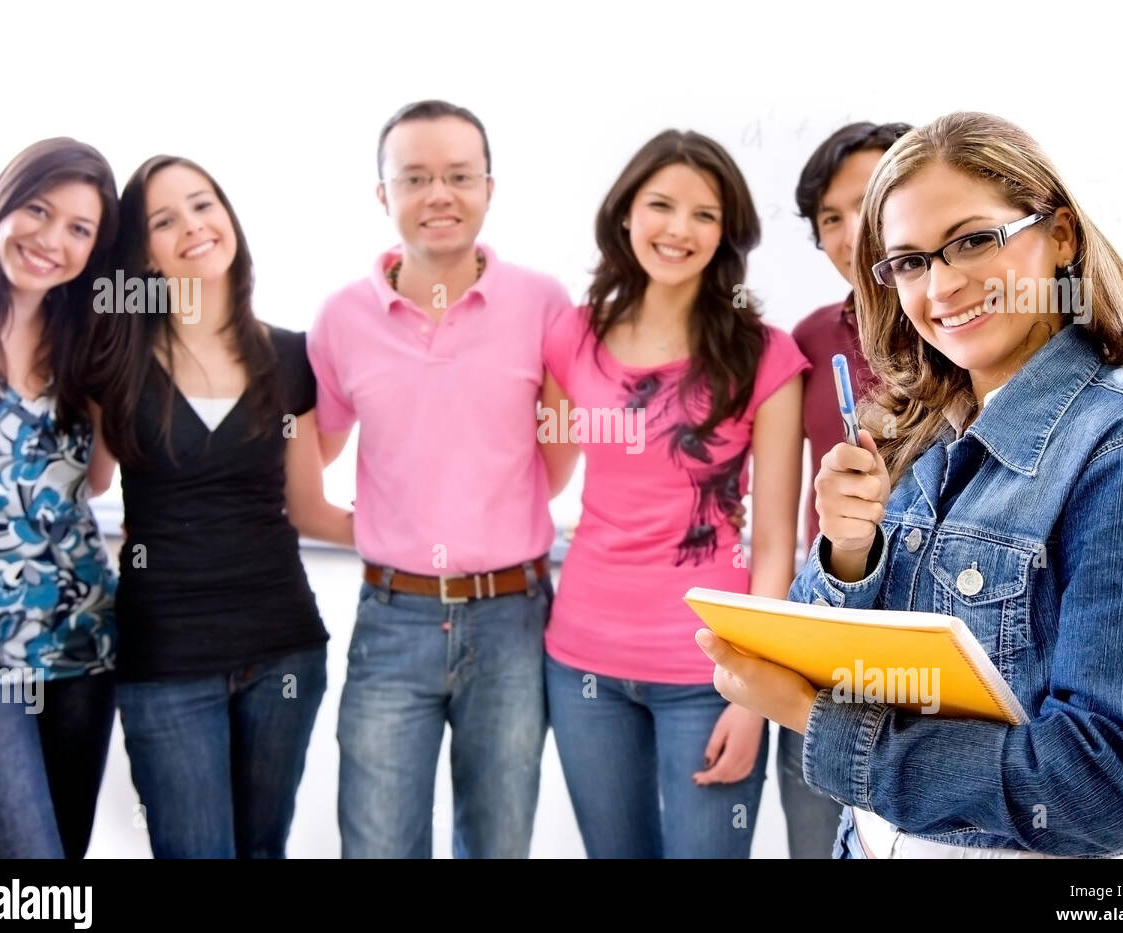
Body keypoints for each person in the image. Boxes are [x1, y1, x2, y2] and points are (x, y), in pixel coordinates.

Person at [698, 111, 1123, 858]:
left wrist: (814, 717)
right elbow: (839, 649)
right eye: (909, 261)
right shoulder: (917, 433)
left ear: (1063, 235)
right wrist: (850, 553)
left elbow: (1101, 794)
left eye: (975, 239)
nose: (942, 284)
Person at [308, 100, 570, 858]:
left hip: (512, 617)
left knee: (497, 840)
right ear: (382, 194)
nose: (439, 195)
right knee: (379, 842)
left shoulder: (543, 303)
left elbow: (550, 466)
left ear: (490, 188)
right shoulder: (341, 316)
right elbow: (317, 458)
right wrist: (399, 532)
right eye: (415, 177)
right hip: (394, 617)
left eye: (459, 176)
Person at [541, 130, 807, 858]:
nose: (679, 229)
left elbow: (777, 540)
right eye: (661, 204)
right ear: (626, 213)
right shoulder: (571, 335)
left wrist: (754, 694)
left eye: (704, 214)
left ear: (726, 234)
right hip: (581, 661)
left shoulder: (767, 354)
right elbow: (545, 467)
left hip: (708, 670)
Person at [88, 156, 348, 858]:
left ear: (229, 217)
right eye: (164, 220)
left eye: (203, 205)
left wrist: (436, 536)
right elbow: (84, 481)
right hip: (165, 656)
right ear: (142, 252)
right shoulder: (111, 358)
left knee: (262, 852)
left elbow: (310, 507)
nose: (193, 227)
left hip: (283, 647)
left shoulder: (293, 357)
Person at [0, 138, 119, 858]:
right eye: (38, 210)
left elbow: (97, 479)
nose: (51, 239)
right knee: (28, 869)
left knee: (56, 882)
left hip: (80, 638)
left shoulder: (90, 344)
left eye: (79, 229)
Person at [781, 121, 910, 858]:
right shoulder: (807, 341)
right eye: (830, 218)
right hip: (825, 648)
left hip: (943, 656)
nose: (850, 231)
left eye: (868, 203)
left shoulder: (970, 338)